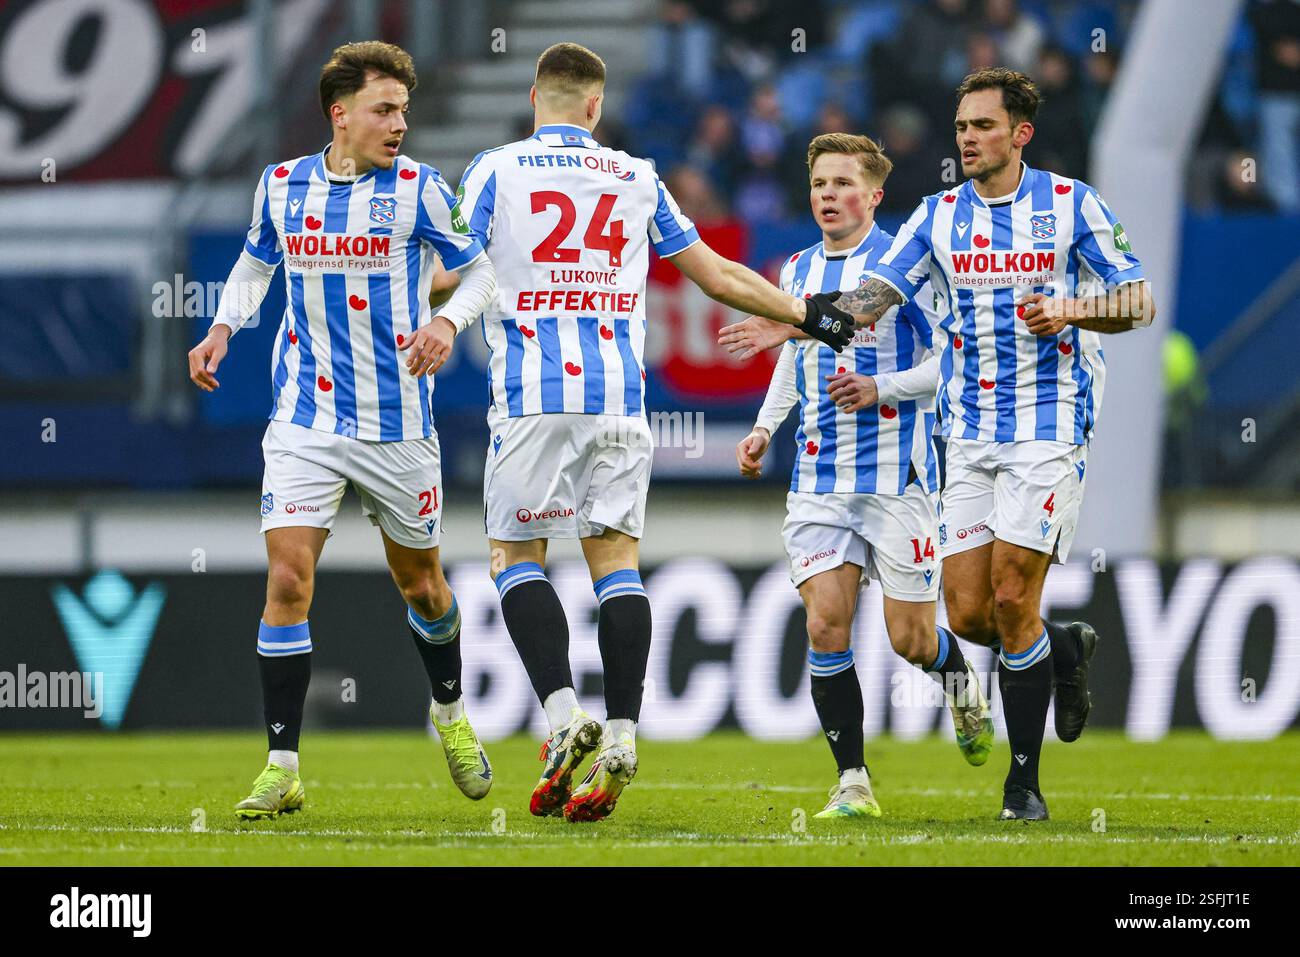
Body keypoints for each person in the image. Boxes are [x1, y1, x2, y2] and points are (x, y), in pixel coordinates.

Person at [717, 69, 1156, 820]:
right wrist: (791, 323)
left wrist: (1073, 307)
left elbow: (1138, 301)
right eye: (961, 128)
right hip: (970, 434)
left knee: (1014, 592)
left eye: (983, 127)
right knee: (971, 616)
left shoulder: (1072, 205)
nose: (968, 139)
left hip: (1047, 423)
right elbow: (867, 304)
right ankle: (1063, 647)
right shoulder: (936, 217)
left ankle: (1023, 787)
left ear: (1020, 134)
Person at [455, 41, 854, 823]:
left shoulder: (495, 168)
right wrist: (808, 313)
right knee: (618, 565)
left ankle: (567, 715)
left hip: (536, 393)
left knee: (514, 555)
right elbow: (715, 274)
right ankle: (628, 730)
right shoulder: (636, 177)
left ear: (537, 95)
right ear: (596, 107)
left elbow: (453, 265)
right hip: (620, 400)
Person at [186, 42, 500, 818]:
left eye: (403, 110)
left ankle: (451, 714)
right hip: (304, 418)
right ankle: (282, 764)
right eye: (384, 109)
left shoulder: (423, 190)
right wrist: (222, 327)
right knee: (289, 580)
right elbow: (258, 263)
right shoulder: (283, 185)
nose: (399, 123)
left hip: (397, 423)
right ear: (340, 113)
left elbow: (485, 269)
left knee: (422, 585)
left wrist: (448, 321)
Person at [731, 132, 994, 818]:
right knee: (825, 624)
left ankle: (959, 677)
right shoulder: (795, 269)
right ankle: (853, 781)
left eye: (843, 183)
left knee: (911, 639)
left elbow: (953, 364)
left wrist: (884, 387)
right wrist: (765, 425)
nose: (828, 195)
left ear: (875, 196)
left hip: (897, 476)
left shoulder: (905, 269)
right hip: (819, 478)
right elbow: (793, 358)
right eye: (819, 183)